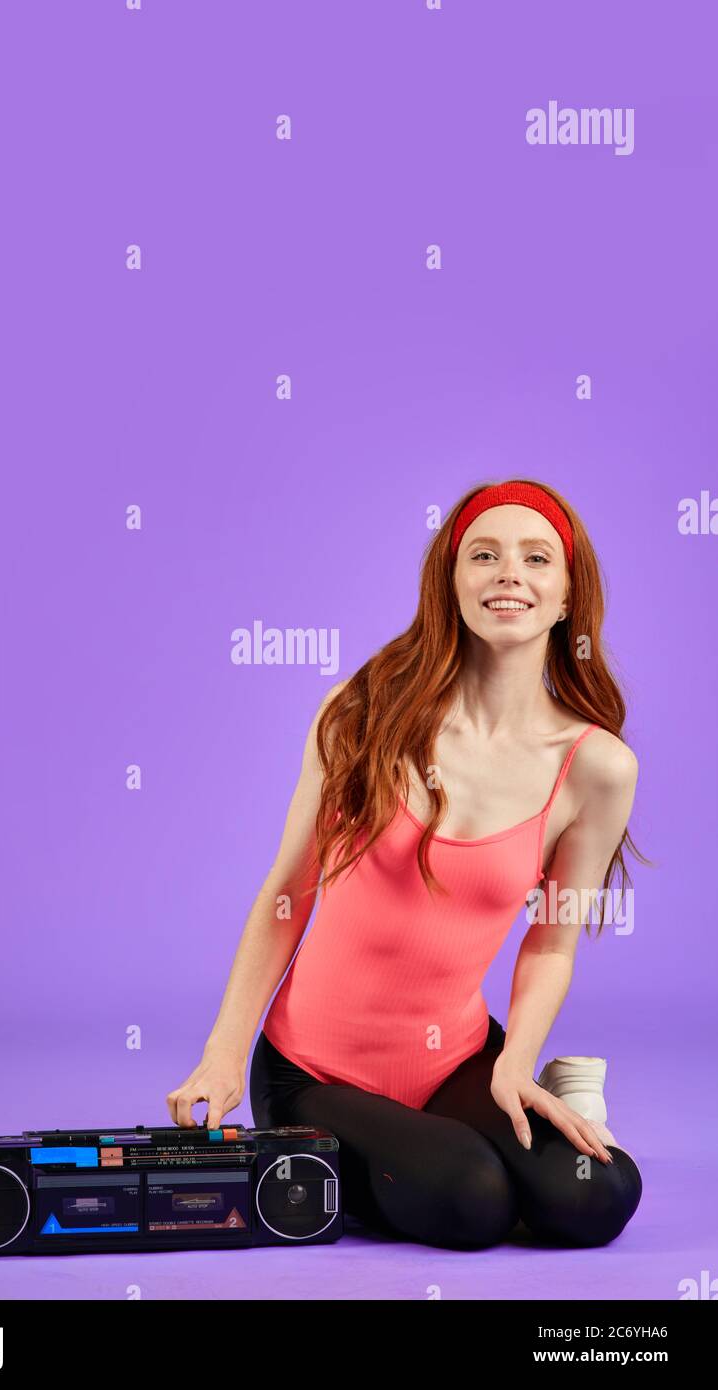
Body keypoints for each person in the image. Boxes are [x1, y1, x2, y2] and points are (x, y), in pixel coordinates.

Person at [166, 479, 646, 1249]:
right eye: (483, 555)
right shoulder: (359, 715)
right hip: (313, 1077)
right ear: (450, 585)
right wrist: (222, 1054)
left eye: (536, 558)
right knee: (472, 1201)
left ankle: (525, 1108)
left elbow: (552, 940)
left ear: (565, 598)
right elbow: (286, 892)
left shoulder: (597, 768)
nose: (508, 573)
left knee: (598, 1197)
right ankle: (429, 1158)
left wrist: (515, 1063)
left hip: (458, 1064)